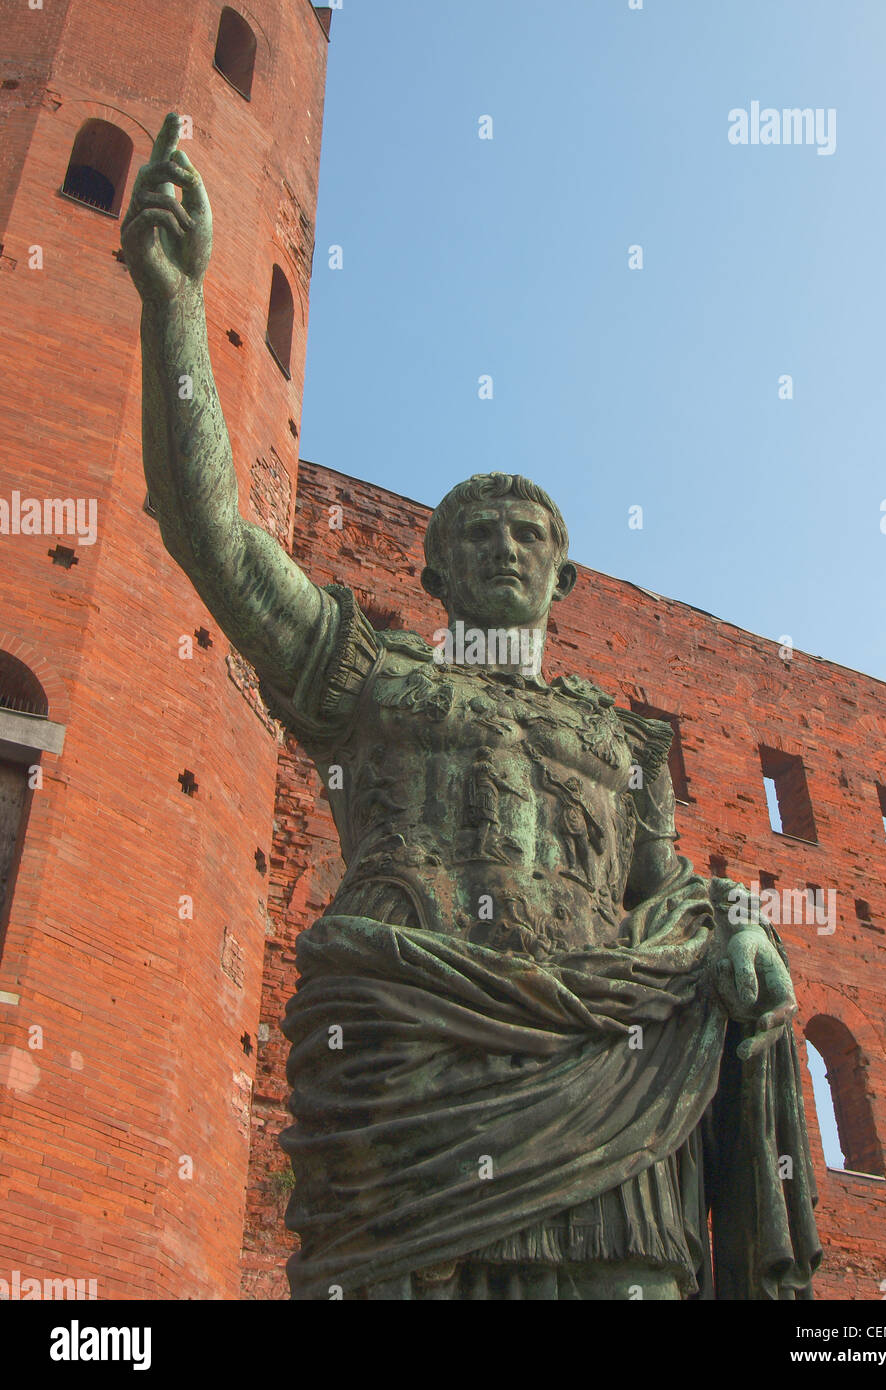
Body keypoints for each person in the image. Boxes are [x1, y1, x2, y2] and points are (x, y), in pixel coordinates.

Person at [122, 114, 820, 1300]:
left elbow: (672, 904)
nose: (502, 547)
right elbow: (210, 533)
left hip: (607, 1107)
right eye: (474, 535)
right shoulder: (371, 677)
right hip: (406, 1086)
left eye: (527, 535)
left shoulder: (623, 741)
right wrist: (175, 303)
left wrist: (740, 933)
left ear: (563, 579)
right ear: (433, 573)